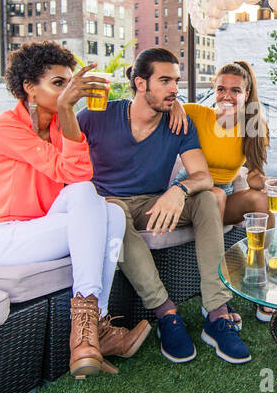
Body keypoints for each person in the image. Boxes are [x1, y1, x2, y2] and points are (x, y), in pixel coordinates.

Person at [0, 41, 151, 379]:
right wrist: (69, 110)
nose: (68, 90)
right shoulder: (5, 127)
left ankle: (90, 329)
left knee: (110, 211)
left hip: (42, 229)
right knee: (94, 201)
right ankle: (92, 330)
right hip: (0, 239)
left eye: (70, 83)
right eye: (59, 83)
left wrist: (67, 114)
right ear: (28, 87)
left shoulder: (59, 128)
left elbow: (80, 178)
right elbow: (67, 171)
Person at [77, 46, 249, 365]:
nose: (175, 89)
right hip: (108, 206)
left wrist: (179, 190)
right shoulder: (95, 115)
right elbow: (54, 146)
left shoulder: (178, 124)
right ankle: (166, 313)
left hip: (152, 205)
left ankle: (216, 312)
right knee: (112, 214)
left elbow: (201, 175)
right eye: (166, 81)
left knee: (209, 198)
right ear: (140, 83)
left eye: (177, 81)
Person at [168, 60, 277, 325]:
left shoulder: (254, 126)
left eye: (235, 90)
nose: (227, 96)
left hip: (223, 194)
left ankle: (260, 280)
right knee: (216, 196)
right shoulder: (197, 113)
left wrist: (268, 184)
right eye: (221, 89)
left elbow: (254, 177)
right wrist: (175, 104)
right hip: (189, 193)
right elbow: (165, 105)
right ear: (214, 90)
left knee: (261, 200)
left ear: (247, 93)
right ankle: (217, 296)